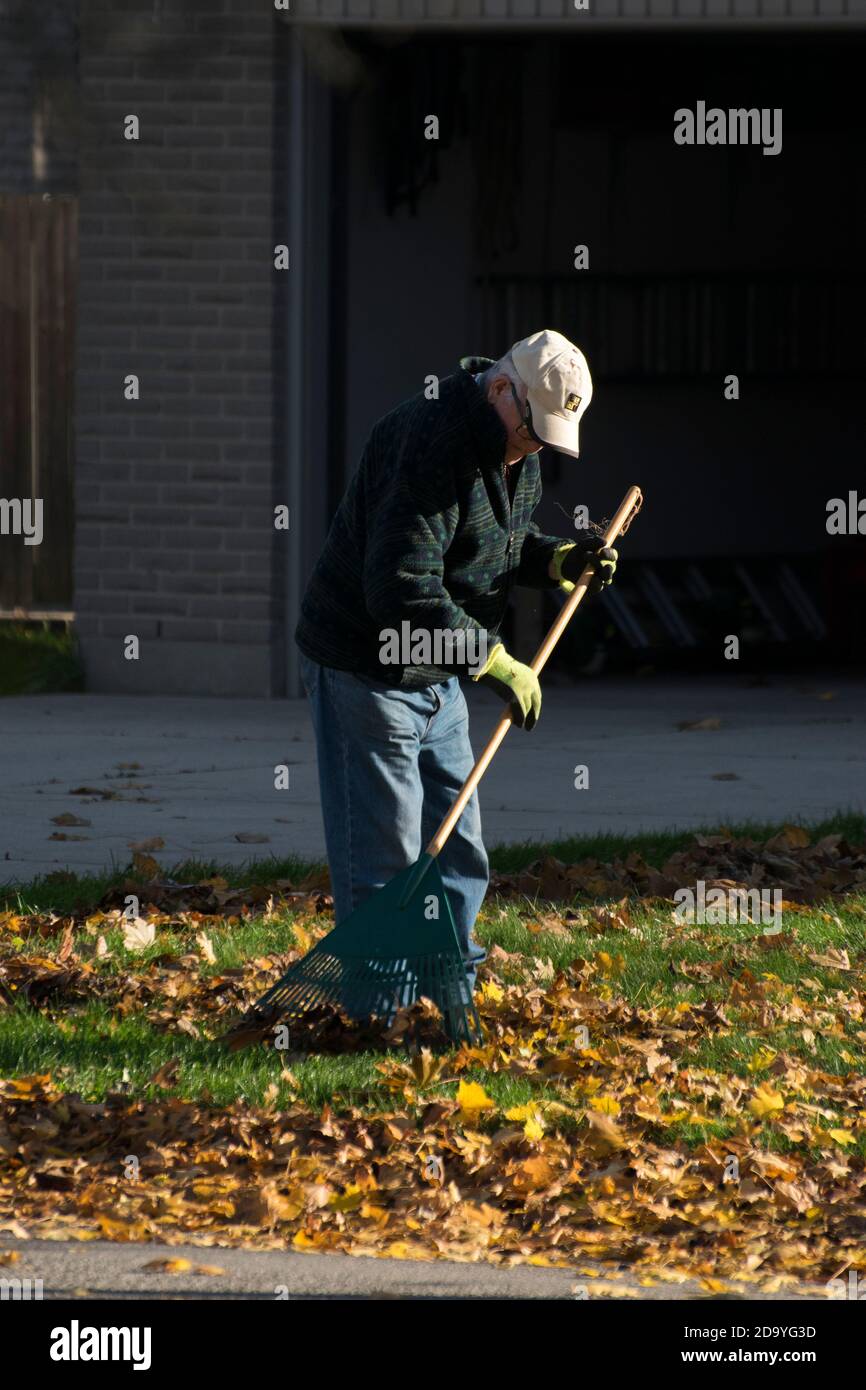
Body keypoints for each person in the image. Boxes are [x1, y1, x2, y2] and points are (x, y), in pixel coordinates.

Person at [295, 329, 617, 996]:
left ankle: (449, 997)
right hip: (369, 669)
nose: (536, 449)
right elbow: (401, 589)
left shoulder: (513, 442)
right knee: (386, 859)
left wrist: (560, 560)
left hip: (439, 672)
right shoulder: (428, 441)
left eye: (547, 440)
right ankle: (376, 1012)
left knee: (461, 853)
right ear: (503, 389)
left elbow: (500, 541)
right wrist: (493, 661)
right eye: (534, 432)